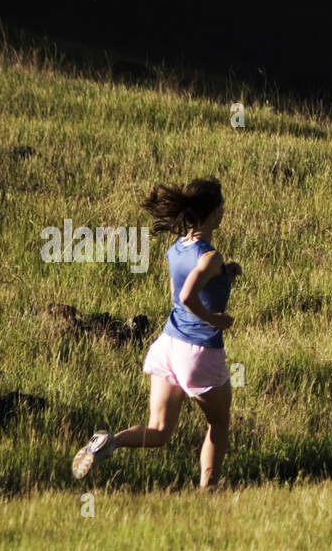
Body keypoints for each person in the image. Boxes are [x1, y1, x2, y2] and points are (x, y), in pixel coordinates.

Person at [71, 177, 240, 490]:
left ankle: (109, 442)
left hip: (168, 345)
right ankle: (209, 492)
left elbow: (181, 291)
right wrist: (213, 319)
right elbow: (189, 295)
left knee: (159, 430)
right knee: (218, 422)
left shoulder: (177, 248)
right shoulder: (210, 256)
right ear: (215, 211)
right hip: (200, 352)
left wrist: (224, 275)